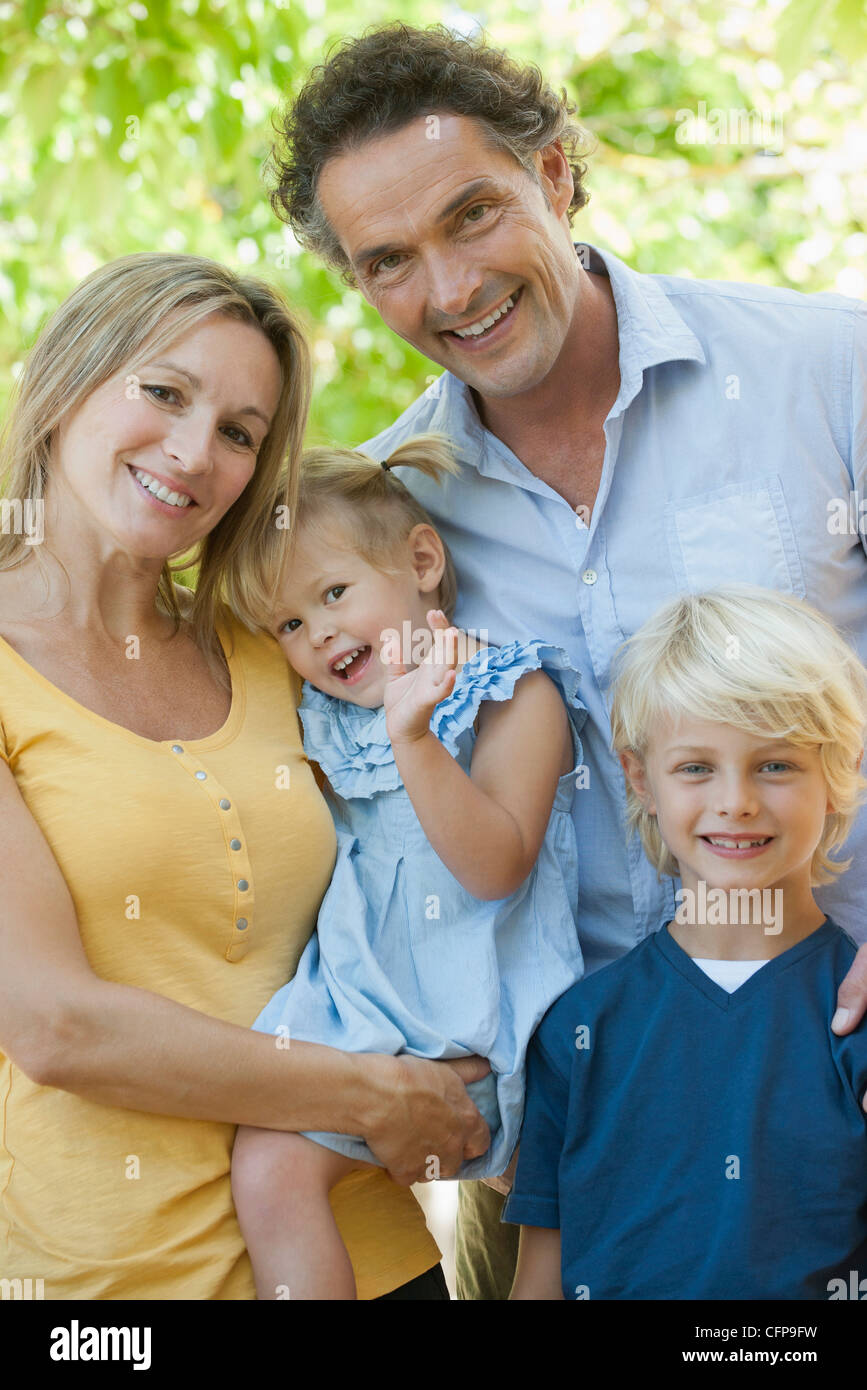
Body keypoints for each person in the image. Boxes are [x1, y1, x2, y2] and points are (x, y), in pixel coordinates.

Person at [265, 21, 867, 1297]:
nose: (448, 287)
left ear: (555, 174)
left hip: (836, 1066)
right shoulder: (389, 524)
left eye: (471, 214)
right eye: (389, 261)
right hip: (569, 1130)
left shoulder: (827, 368)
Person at [0, 252, 490, 1301]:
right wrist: (376, 1093)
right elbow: (53, 1023)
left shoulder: (278, 643)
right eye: (165, 393)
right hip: (120, 1281)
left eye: (239, 432)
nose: (192, 453)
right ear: (64, 380)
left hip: (370, 1249)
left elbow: (446, 838)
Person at [227, 432, 585, 1299]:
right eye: (289, 623)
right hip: (358, 1020)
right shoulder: (324, 715)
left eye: (334, 594)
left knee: (558, 1227)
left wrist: (414, 738)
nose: (319, 634)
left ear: (421, 559)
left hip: (492, 1028)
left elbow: (495, 867)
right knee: (269, 1165)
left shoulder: (510, 693)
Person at [506, 585, 867, 1299]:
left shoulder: (852, 1014)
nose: (734, 800)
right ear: (639, 777)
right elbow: (540, 1277)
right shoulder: (578, 1030)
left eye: (775, 764)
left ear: (837, 773)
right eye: (696, 767)